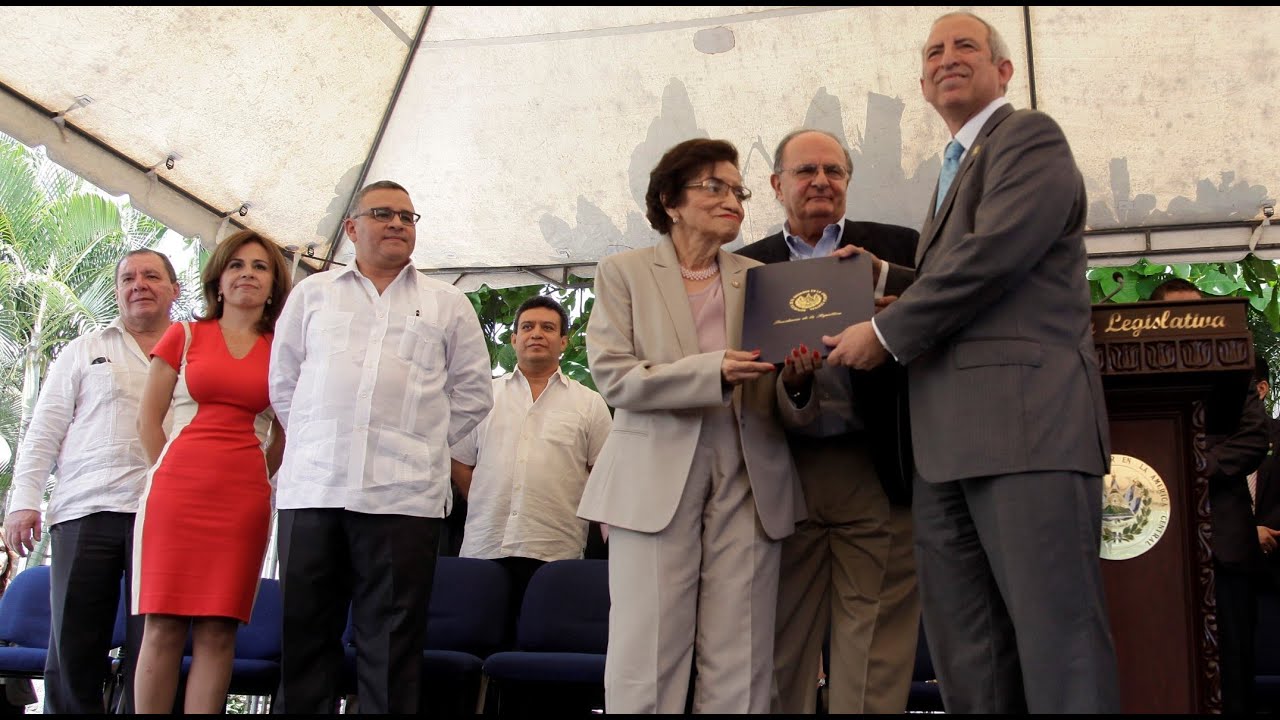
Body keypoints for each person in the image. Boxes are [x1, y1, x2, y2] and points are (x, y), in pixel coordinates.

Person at [822, 11, 1119, 712]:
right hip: (947, 446)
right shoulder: (954, 167)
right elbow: (964, 267)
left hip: (1027, 432)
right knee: (969, 650)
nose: (946, 58)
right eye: (933, 52)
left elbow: (994, 257)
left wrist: (886, 334)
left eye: (965, 46)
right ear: (922, 82)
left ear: (1003, 71)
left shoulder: (1027, 137)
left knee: (1057, 640)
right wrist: (887, 276)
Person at [578, 138, 808, 714]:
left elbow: (779, 382)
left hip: (749, 474)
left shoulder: (763, 279)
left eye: (738, 190)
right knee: (646, 651)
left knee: (743, 651)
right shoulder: (622, 272)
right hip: (652, 476)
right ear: (670, 201)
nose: (732, 199)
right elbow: (614, 378)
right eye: (714, 186)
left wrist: (798, 380)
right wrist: (712, 372)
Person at [268, 180, 493, 713]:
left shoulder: (448, 303)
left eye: (408, 217)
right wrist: (320, 440)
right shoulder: (312, 294)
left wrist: (418, 443)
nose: (397, 224)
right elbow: (285, 383)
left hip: (404, 497)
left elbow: (474, 394)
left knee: (391, 650)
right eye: (384, 214)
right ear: (351, 229)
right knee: (304, 643)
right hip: (313, 491)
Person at [736, 128, 920, 714]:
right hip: (780, 474)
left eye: (834, 171)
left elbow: (954, 302)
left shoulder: (895, 248)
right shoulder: (744, 267)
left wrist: (891, 297)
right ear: (775, 184)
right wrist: (791, 383)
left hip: (878, 466)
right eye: (805, 171)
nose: (821, 181)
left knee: (874, 648)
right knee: (778, 641)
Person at [4, 248, 179, 713]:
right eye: (127, 278)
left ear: (174, 290)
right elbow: (44, 430)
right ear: (119, 292)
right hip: (86, 510)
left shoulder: (195, 354)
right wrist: (23, 502)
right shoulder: (85, 349)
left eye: (151, 276)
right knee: (74, 650)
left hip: (168, 516)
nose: (138, 284)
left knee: (156, 649)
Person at [130, 230, 291, 713]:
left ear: (272, 285)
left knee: (220, 629)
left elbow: (284, 434)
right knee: (162, 625)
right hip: (175, 493)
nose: (248, 273)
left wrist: (251, 477)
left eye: (260, 267)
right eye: (237, 264)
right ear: (218, 279)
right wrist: (175, 470)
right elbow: (147, 419)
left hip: (243, 500)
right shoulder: (185, 334)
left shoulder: (282, 347)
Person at [450, 295, 612, 636]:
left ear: (564, 342)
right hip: (485, 545)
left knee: (542, 651)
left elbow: (604, 474)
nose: (536, 334)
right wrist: (482, 495)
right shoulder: (485, 397)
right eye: (527, 327)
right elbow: (460, 460)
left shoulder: (590, 403)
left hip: (555, 552)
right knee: (479, 646)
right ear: (513, 339)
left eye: (548, 328)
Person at [1150, 278, 1268, 713]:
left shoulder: (1237, 369)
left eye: (1197, 314)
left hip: (1227, 547)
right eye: (1177, 317)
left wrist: (1190, 462)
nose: (1190, 325)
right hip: (1156, 547)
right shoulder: (1133, 377)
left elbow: (1254, 439)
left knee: (1233, 665)